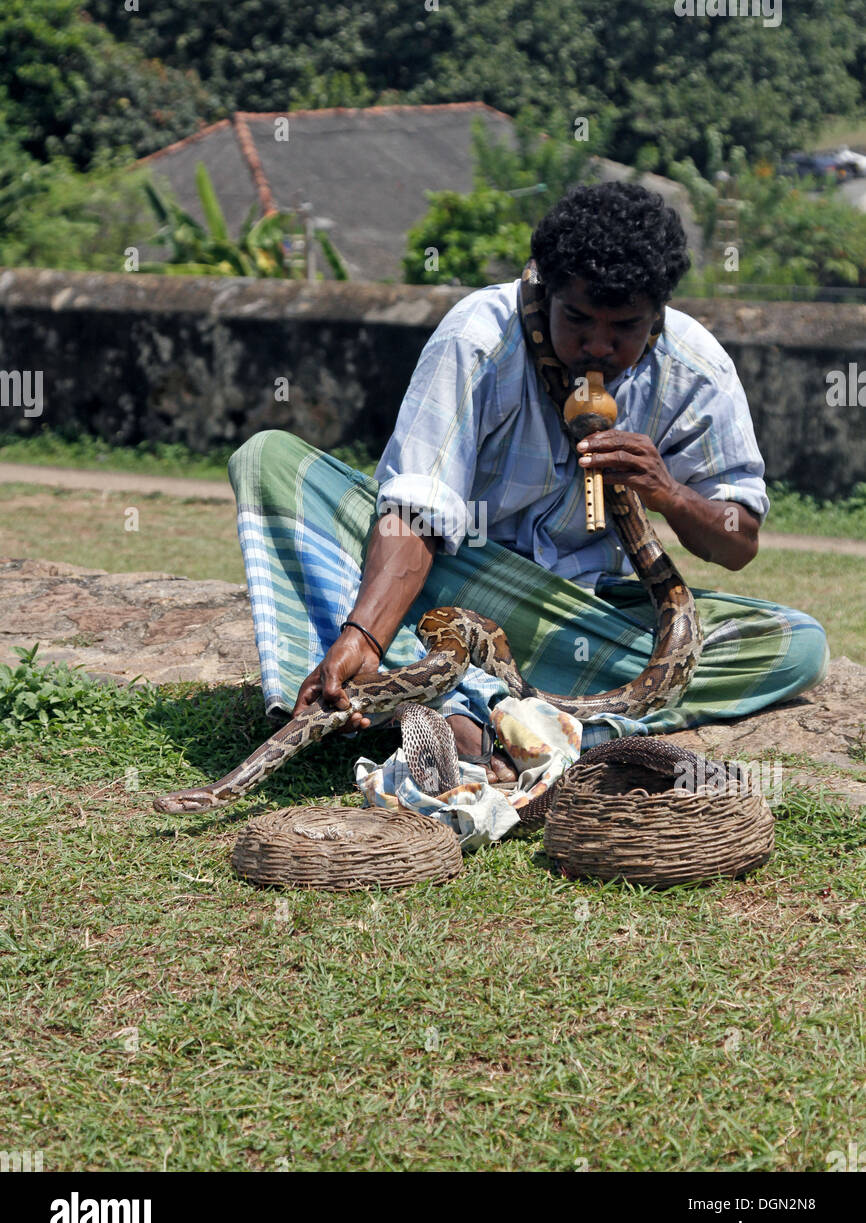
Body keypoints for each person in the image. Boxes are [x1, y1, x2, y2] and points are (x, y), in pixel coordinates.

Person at [227, 182, 829, 798]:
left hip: (577, 614)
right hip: (446, 579)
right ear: (545, 291)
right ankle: (471, 701)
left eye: (624, 326)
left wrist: (669, 493)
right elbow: (416, 506)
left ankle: (486, 709)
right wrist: (364, 633)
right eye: (577, 319)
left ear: (660, 314)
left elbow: (739, 541)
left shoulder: (696, 368)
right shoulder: (480, 336)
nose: (598, 346)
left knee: (799, 646)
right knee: (269, 459)